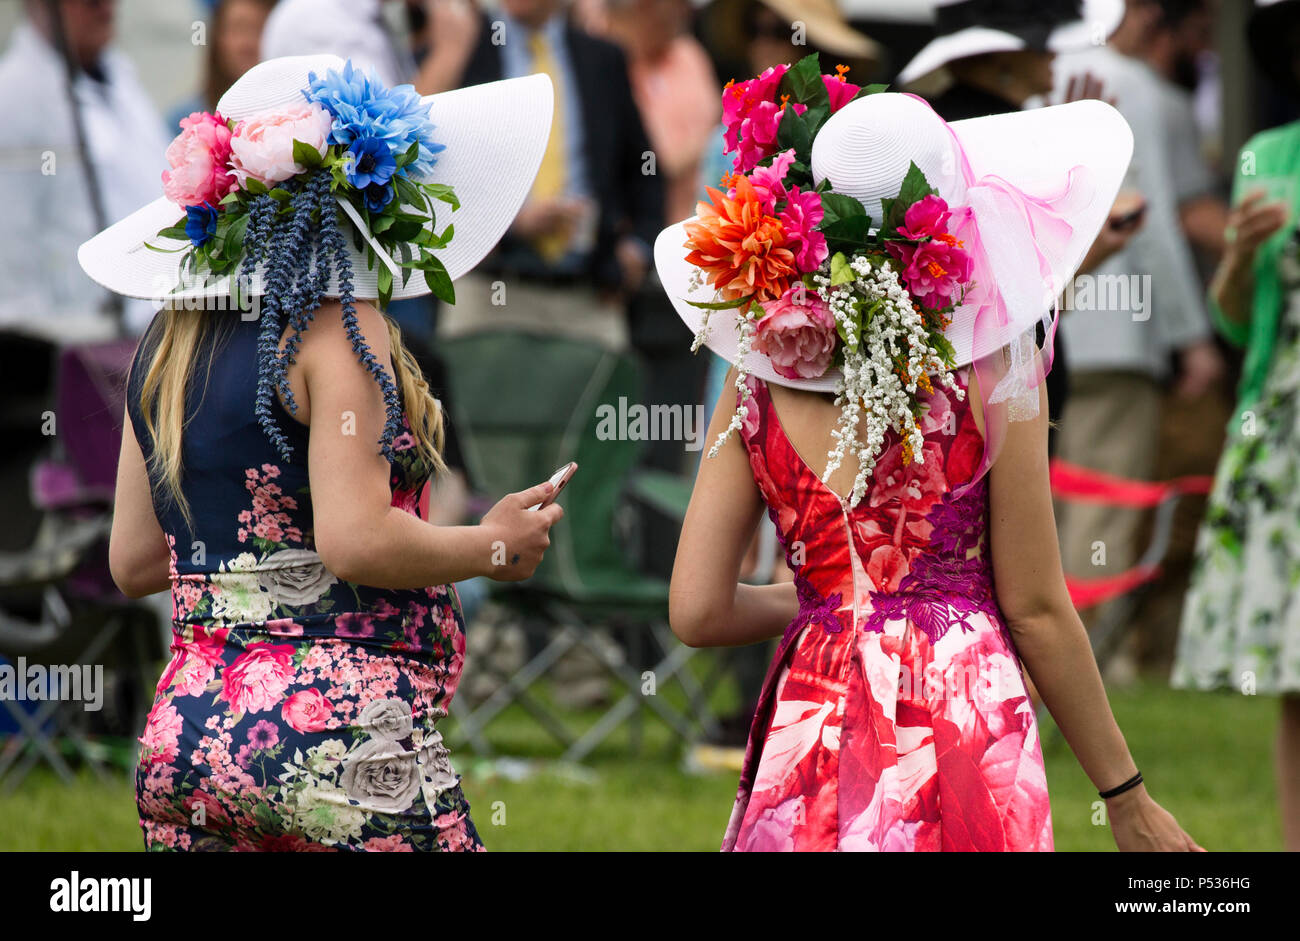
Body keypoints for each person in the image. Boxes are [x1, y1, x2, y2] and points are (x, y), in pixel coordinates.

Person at [659, 64, 1202, 850]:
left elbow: (697, 610)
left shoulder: (760, 367)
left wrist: (829, 597)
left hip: (813, 701)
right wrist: (1126, 795)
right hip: (959, 704)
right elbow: (1037, 607)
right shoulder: (996, 364)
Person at [93, 54, 561, 850]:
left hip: (186, 736)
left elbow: (136, 562)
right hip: (336, 734)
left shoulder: (162, 345)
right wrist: (493, 544)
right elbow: (355, 540)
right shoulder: (340, 330)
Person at [1048, 0, 1226, 669]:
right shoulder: (1140, 91)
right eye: (1200, 32)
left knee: (1045, 519)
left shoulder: (1048, 71)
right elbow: (1147, 226)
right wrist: (1192, 336)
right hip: (1119, 342)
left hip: (1045, 332)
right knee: (1102, 520)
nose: (1204, 53)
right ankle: (1076, 685)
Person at [1174, 0, 1300, 851]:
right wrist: (1242, 259)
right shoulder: (1268, 156)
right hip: (1285, 432)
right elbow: (1233, 321)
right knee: (1297, 673)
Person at [434, 0, 663, 352]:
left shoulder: (602, 59)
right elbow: (431, 166)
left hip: (587, 299)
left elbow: (646, 171)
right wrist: (509, 223)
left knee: (607, 402)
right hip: (486, 295)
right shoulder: (465, 48)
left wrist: (636, 251)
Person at [0, 0, 169, 340]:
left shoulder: (118, 76)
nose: (103, 7)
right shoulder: (13, 98)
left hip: (148, 326)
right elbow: (11, 259)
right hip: (75, 347)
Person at [167, 0, 275, 131]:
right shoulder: (185, 122)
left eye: (260, 28)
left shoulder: (293, 115)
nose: (248, 43)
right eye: (239, 28)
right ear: (218, 37)